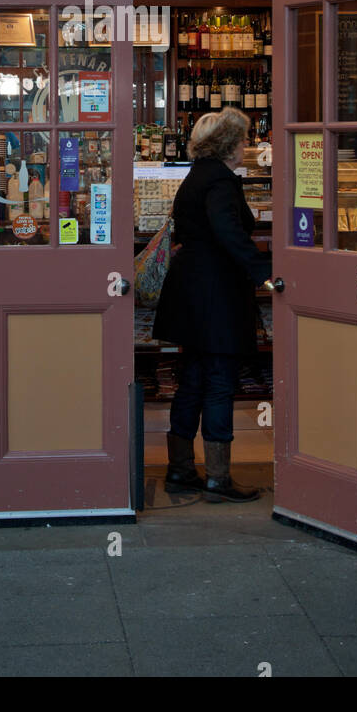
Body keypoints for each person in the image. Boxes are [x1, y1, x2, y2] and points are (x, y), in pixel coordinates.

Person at [153, 107, 271, 502]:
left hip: (189, 292)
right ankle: (218, 478)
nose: (246, 146)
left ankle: (181, 471)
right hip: (216, 295)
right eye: (242, 140)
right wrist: (263, 271)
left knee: (191, 381)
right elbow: (228, 232)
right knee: (220, 384)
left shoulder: (195, 176)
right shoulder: (221, 180)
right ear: (228, 144)